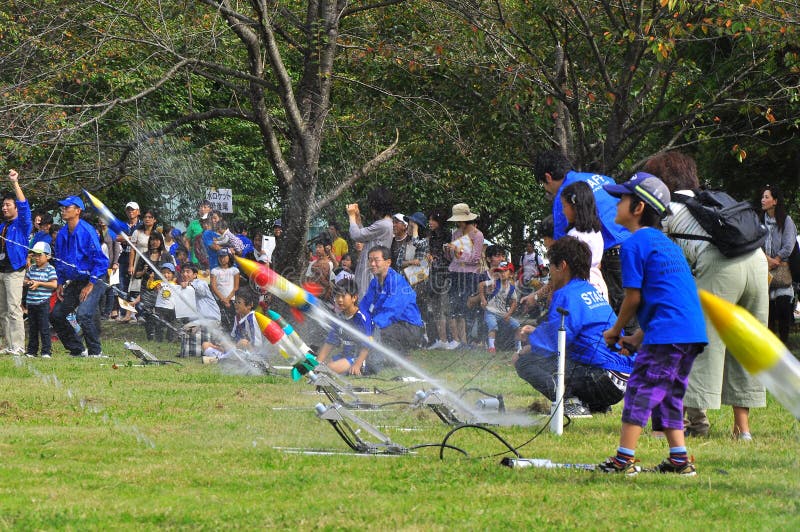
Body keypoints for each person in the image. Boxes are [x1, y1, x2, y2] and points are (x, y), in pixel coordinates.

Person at [645, 151, 768, 440]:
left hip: (721, 266)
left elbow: (666, 264)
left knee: (698, 345)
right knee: (745, 344)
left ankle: (684, 425)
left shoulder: (668, 209)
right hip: (757, 262)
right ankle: (743, 430)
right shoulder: (712, 199)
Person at [599, 173, 707, 476]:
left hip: (668, 333)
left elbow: (632, 299)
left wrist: (615, 330)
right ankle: (679, 458)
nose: (616, 204)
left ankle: (623, 459)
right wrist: (638, 336)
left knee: (640, 388)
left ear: (637, 208)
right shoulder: (666, 244)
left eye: (621, 199)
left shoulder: (635, 243)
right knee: (671, 394)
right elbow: (671, 298)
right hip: (689, 332)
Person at [514, 236, 633, 416]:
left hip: (601, 378)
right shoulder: (590, 290)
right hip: (621, 379)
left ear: (562, 266)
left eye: (550, 267)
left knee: (525, 362)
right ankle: (595, 405)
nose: (549, 274)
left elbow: (555, 340)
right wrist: (537, 333)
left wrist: (530, 341)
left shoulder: (565, 294)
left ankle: (571, 403)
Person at [534, 150, 629, 313]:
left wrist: (550, 291)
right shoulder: (601, 179)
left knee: (618, 315)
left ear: (548, 177)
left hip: (613, 256)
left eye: (543, 184)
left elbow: (561, 252)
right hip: (634, 242)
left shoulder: (565, 195)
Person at [50, 195, 110, 358]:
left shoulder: (87, 231)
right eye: (63, 207)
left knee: (83, 314)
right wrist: (60, 282)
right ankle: (77, 349)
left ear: (78, 211)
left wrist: (90, 285)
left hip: (94, 279)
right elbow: (60, 260)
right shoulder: (62, 233)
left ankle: (95, 351)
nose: (63, 210)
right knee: (56, 315)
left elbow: (101, 261)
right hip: (75, 281)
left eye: (67, 207)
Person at [359, 245, 424, 368]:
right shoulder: (375, 282)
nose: (372, 264)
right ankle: (387, 359)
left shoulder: (397, 282)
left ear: (388, 262)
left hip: (409, 328)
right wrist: (359, 320)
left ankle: (403, 359)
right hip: (390, 324)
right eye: (370, 260)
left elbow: (391, 312)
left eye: (376, 260)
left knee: (381, 332)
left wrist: (372, 326)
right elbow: (365, 306)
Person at [758, 185, 797, 344]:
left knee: (782, 309)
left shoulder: (786, 220)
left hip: (782, 271)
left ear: (775, 201)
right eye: (762, 197)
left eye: (766, 197)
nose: (763, 200)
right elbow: (756, 243)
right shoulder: (759, 221)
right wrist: (768, 260)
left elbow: (789, 244)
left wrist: (777, 260)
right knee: (769, 312)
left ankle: (784, 344)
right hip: (765, 268)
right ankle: (772, 345)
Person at [0, 169, 33, 355]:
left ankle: (19, 346)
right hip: (1, 270)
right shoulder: (2, 226)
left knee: (14, 309)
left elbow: (24, 205)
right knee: (3, 311)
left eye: (7, 205)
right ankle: (9, 344)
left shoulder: (22, 224)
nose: (4, 208)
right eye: (3, 205)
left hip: (14, 270)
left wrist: (15, 183)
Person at [560, 181, 608, 301]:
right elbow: (599, 264)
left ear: (575, 206)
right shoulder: (597, 232)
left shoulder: (574, 236)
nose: (563, 211)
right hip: (599, 288)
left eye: (564, 206)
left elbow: (568, 270)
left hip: (581, 292)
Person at [445, 203, 484, 349]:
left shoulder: (477, 235)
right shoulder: (456, 233)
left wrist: (459, 250)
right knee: (455, 305)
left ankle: (469, 340)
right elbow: (452, 258)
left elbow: (475, 258)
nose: (457, 223)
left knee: (467, 304)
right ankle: (459, 340)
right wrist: (449, 250)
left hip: (470, 274)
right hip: (455, 272)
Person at [316, 278, 372, 375]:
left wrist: (357, 365)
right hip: (345, 356)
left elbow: (367, 344)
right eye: (337, 296)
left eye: (343, 296)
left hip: (360, 359)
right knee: (321, 367)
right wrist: (317, 363)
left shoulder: (362, 318)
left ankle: (358, 367)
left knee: (328, 369)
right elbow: (330, 343)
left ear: (354, 298)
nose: (339, 300)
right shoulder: (339, 318)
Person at [348, 187, 394, 299]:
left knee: (365, 300)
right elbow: (363, 236)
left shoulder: (384, 224)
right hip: (370, 268)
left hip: (371, 271)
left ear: (377, 206)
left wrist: (351, 216)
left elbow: (356, 235)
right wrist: (357, 217)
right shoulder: (385, 223)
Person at [201, 288, 263, 362]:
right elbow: (233, 339)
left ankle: (220, 359)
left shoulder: (252, 318)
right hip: (235, 351)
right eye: (235, 302)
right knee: (205, 345)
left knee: (243, 343)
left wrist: (241, 346)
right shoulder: (237, 317)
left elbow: (257, 346)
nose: (235, 305)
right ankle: (222, 359)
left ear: (249, 305)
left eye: (239, 302)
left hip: (249, 353)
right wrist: (224, 344)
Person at [479, 260, 521, 354]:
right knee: (493, 326)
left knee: (517, 326)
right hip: (491, 311)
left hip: (502, 313)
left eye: (505, 271)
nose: (502, 274)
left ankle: (518, 347)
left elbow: (514, 302)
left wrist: (508, 314)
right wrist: (483, 299)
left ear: (511, 274)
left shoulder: (511, 288)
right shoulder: (494, 282)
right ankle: (492, 347)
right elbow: (481, 285)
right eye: (500, 271)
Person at [24, 241, 58, 358]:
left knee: (44, 328)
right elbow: (25, 280)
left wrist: (39, 283)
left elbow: (54, 284)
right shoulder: (32, 268)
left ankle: (46, 352)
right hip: (31, 303)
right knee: (32, 328)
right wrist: (29, 282)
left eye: (39, 255)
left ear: (48, 256)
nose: (36, 258)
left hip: (43, 303)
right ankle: (32, 351)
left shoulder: (50, 269)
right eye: (34, 255)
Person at [425, 209, 451, 349]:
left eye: (433, 220)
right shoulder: (431, 236)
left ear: (439, 221)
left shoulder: (448, 235)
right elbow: (429, 251)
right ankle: (441, 339)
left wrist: (438, 256)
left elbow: (449, 256)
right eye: (429, 220)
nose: (430, 222)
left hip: (445, 274)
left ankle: (448, 339)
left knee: (444, 306)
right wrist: (429, 255)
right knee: (435, 307)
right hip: (433, 273)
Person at [114, 201, 142, 321]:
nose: (131, 212)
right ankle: (125, 312)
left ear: (138, 212)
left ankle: (139, 313)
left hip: (138, 258)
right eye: (129, 210)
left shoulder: (142, 225)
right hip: (124, 257)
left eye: (133, 209)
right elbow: (117, 237)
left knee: (137, 286)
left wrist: (128, 238)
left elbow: (141, 239)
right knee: (122, 286)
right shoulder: (122, 225)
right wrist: (131, 238)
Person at [211, 248, 240, 332]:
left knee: (232, 320)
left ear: (229, 257)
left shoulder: (234, 270)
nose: (222, 259)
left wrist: (227, 299)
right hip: (219, 300)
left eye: (224, 256)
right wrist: (223, 299)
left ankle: (232, 337)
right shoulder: (215, 270)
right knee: (221, 321)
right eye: (220, 257)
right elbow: (213, 286)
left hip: (231, 300)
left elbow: (236, 287)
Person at [153, 262, 179, 343]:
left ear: (173, 274)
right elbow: (153, 288)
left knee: (171, 323)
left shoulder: (175, 284)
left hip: (171, 307)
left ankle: (170, 338)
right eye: (164, 273)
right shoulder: (159, 283)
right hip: (160, 306)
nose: (166, 275)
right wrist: (156, 288)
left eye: (168, 273)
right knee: (159, 323)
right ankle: (159, 338)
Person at [185, 199, 212, 264]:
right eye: (201, 207)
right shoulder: (193, 224)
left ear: (210, 210)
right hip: (196, 260)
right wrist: (187, 256)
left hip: (212, 259)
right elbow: (187, 241)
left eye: (205, 207)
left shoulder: (214, 223)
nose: (202, 209)